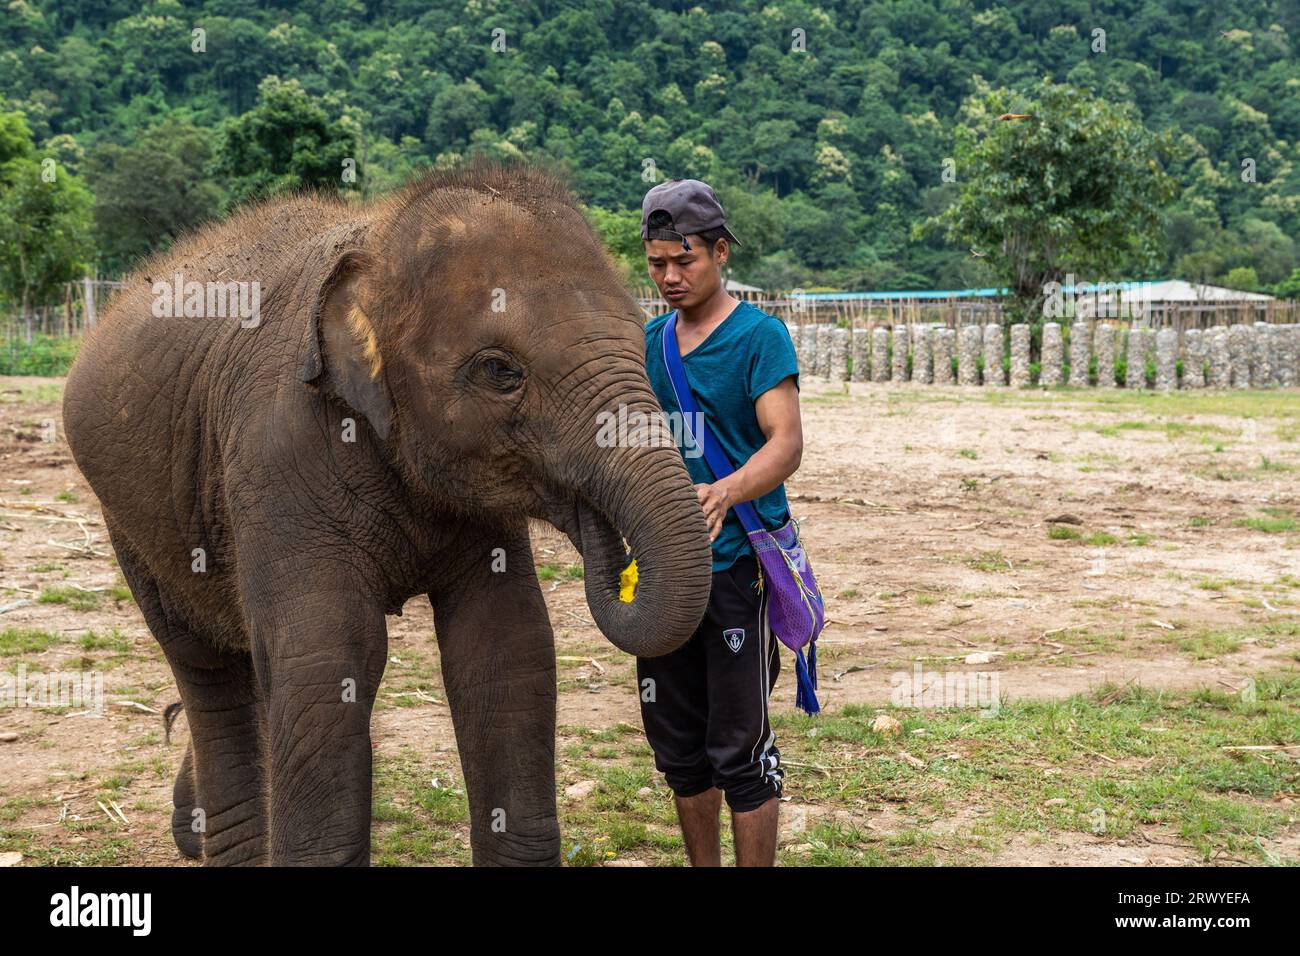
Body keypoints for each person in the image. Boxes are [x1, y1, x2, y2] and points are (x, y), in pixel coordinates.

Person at [636, 178, 804, 866]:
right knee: (678, 749)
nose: (670, 277)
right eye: (656, 264)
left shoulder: (759, 337)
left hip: (738, 569)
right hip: (662, 571)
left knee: (740, 749)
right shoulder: (647, 343)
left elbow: (785, 443)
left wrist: (724, 491)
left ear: (721, 252)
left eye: (686, 261)